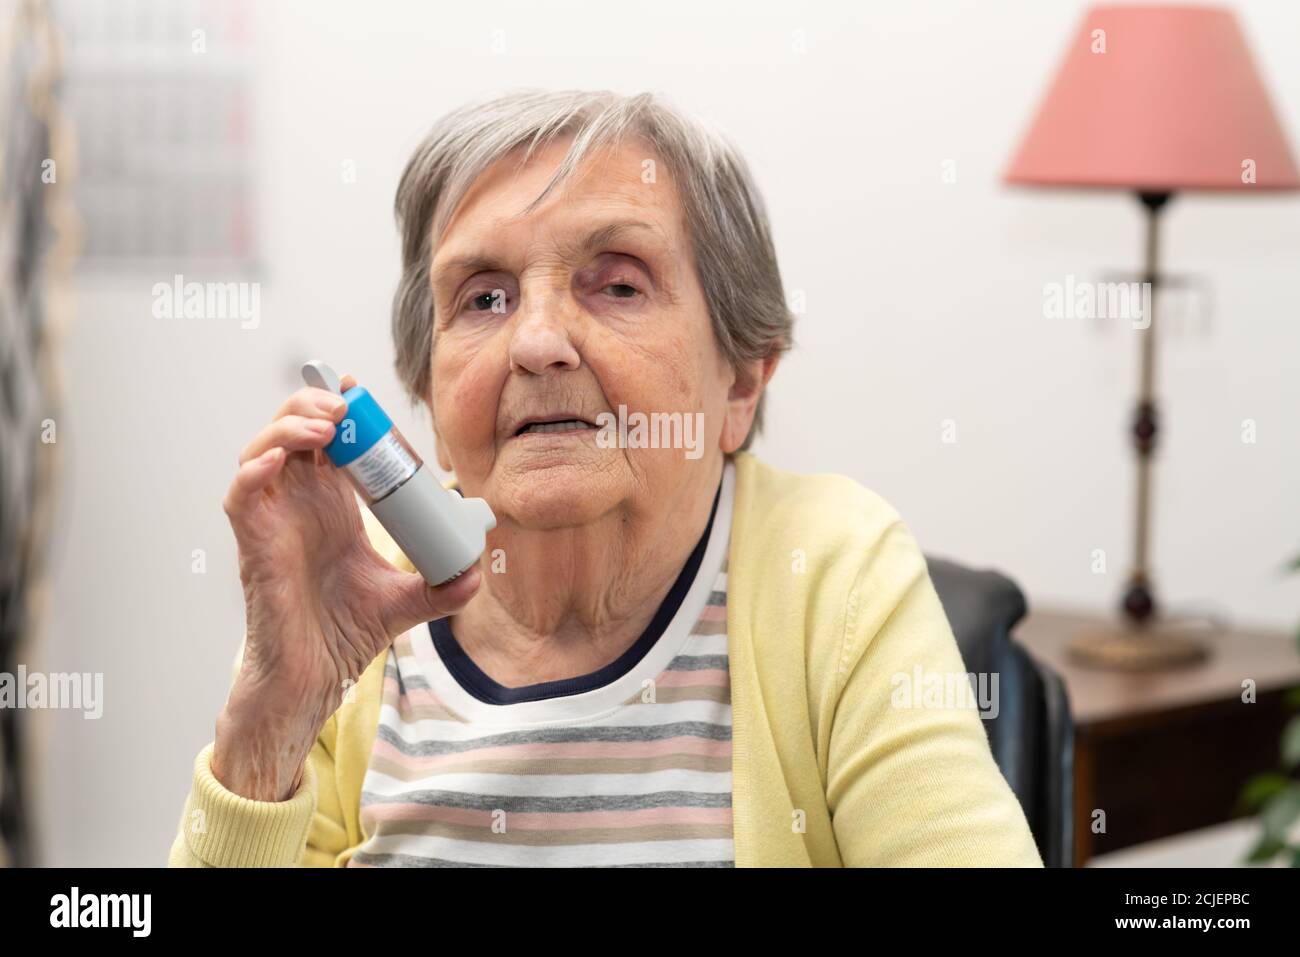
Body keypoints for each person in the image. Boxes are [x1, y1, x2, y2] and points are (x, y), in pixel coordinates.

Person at [168, 88, 1042, 867]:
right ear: (428, 392)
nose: (537, 341)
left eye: (617, 285)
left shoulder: (834, 570)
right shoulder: (355, 590)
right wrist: (271, 728)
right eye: (483, 297)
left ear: (739, 378)